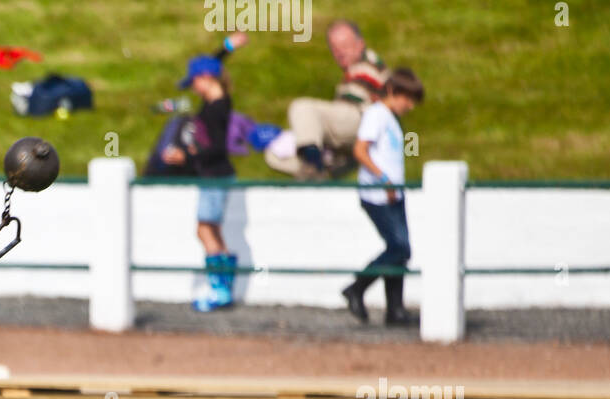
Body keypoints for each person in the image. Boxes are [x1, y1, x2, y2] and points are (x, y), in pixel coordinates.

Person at [161, 41, 245, 312]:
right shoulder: (216, 102)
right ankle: (223, 288)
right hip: (214, 174)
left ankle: (220, 290)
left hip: (214, 175)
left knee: (204, 230)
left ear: (206, 79)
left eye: (196, 81)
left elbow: (218, 148)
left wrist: (187, 157)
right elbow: (213, 64)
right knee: (212, 231)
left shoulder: (216, 107)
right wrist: (227, 47)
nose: (194, 87)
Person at [341, 69, 424, 327]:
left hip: (392, 194)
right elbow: (360, 150)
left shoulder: (389, 118)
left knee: (398, 252)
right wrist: (383, 179)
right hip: (378, 194)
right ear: (391, 91)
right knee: (399, 248)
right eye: (406, 98)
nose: (409, 106)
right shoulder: (376, 115)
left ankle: (395, 310)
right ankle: (357, 287)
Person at [266, 20, 387, 180]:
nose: (340, 52)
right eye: (335, 48)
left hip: (362, 121)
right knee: (273, 154)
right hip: (354, 139)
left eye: (345, 45)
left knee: (302, 107)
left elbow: (354, 102)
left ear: (360, 44)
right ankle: (317, 168)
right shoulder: (354, 69)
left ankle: (314, 163)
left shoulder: (369, 65)